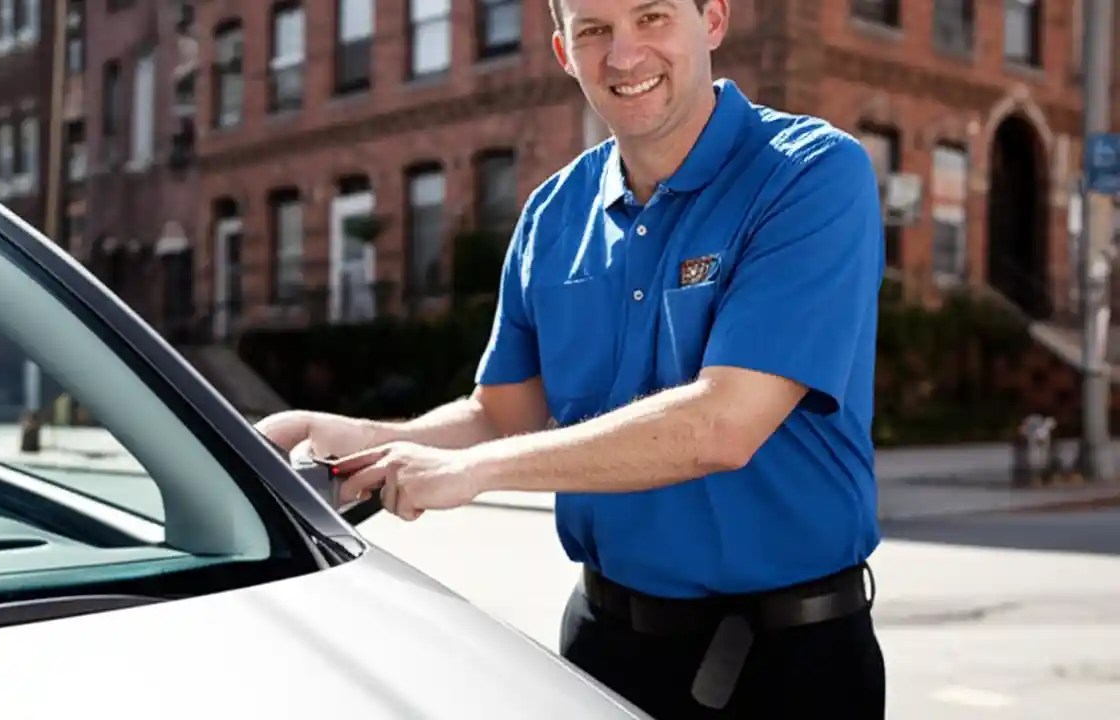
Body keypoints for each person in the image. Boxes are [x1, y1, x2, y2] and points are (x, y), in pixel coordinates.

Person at [256, 0, 886, 716]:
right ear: (564, 52)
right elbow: (503, 415)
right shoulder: (553, 214)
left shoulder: (809, 175)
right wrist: (365, 440)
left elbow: (723, 425)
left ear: (712, 19)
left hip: (790, 665)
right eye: (594, 31)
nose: (623, 56)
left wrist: (469, 473)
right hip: (603, 647)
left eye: (651, 17)